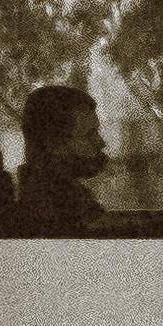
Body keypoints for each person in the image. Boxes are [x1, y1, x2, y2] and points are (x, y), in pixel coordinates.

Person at [15, 83, 107, 231]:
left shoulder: (69, 194)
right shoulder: (55, 202)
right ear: (53, 144)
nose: (101, 143)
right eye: (90, 135)